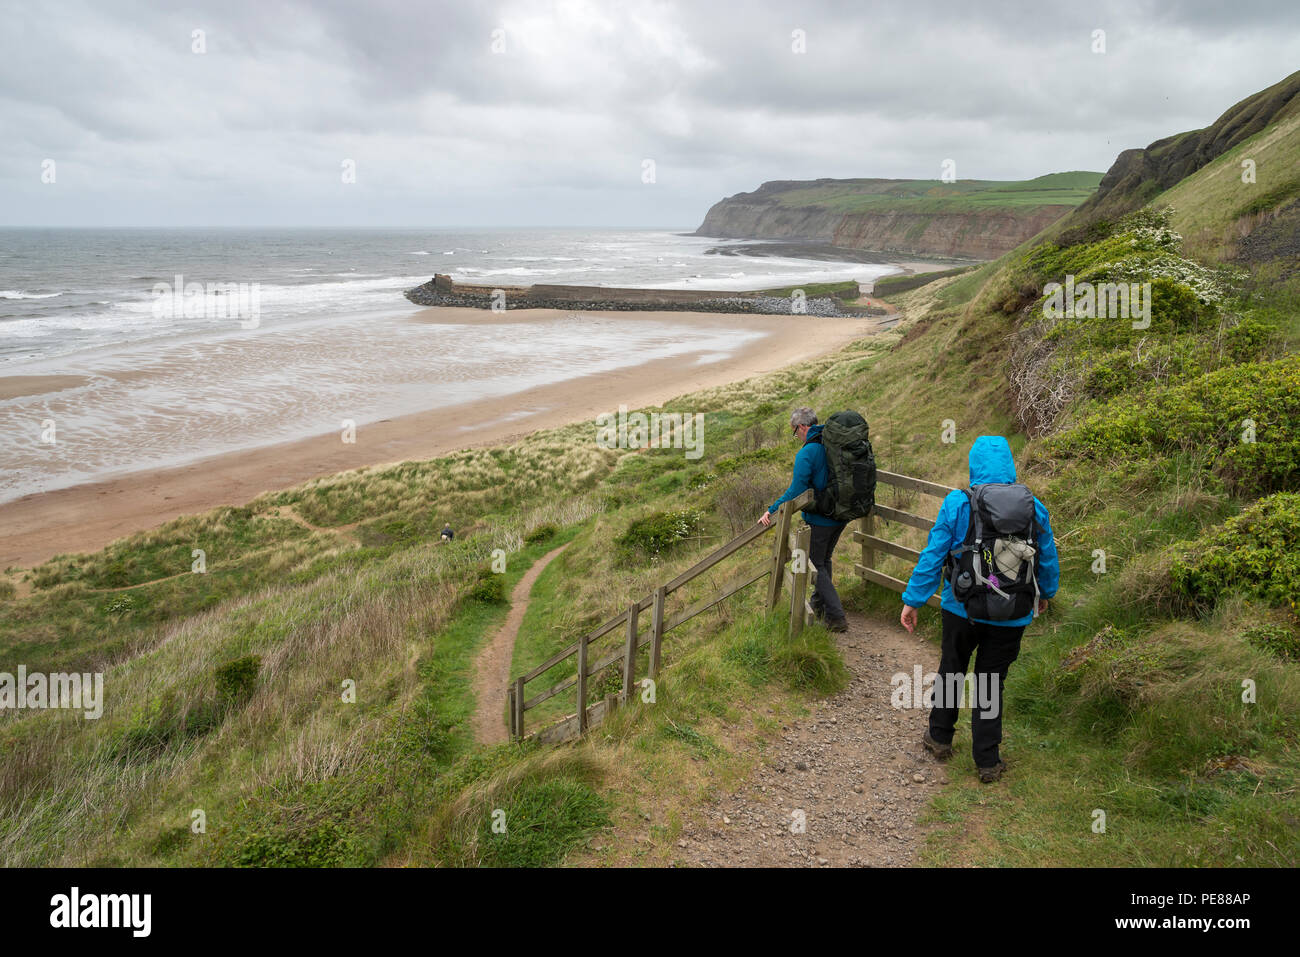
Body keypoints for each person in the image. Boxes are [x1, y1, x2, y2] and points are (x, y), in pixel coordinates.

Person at [899, 435, 1059, 783]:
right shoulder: (1034, 507)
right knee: (990, 681)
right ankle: (987, 761)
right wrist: (1045, 593)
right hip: (1013, 612)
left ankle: (939, 738)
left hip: (961, 609)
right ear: (1010, 466)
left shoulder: (957, 503)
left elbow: (933, 555)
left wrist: (913, 600)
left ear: (974, 465)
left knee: (952, 668)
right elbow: (1046, 556)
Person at [758, 407, 849, 633]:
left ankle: (837, 618)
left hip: (822, 517)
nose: (796, 436)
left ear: (801, 427)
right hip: (841, 514)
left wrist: (772, 510)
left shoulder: (807, 452)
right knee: (824, 560)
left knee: (815, 564)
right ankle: (819, 608)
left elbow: (796, 490)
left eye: (794, 432)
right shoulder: (830, 443)